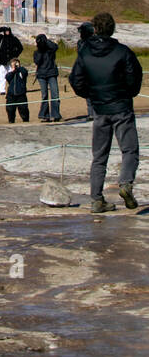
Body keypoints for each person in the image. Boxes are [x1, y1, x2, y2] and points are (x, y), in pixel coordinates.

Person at [69, 12, 142, 212]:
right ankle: (126, 184)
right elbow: (135, 77)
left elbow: (76, 80)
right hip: (121, 108)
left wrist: (91, 96)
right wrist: (128, 94)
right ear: (112, 28)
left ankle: (96, 199)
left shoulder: (84, 53)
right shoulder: (122, 51)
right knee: (130, 150)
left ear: (95, 29)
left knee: (99, 156)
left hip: (100, 109)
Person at [33, 34, 62, 122]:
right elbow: (37, 61)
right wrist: (41, 50)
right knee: (44, 95)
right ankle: (45, 115)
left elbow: (55, 47)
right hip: (41, 75)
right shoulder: (37, 52)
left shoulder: (50, 50)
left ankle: (56, 114)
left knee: (55, 94)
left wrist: (46, 41)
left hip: (51, 73)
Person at [0, 25, 22, 94]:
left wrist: (15, 55)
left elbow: (20, 48)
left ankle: (13, 88)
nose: (7, 32)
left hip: (11, 61)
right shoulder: (0, 38)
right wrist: (2, 28)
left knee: (12, 74)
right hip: (2, 61)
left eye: (8, 30)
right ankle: (2, 90)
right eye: (6, 31)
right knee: (2, 75)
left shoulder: (13, 39)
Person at [77, 22, 95, 119]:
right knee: (88, 94)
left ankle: (95, 112)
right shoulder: (80, 43)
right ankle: (91, 113)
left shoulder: (95, 42)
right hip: (86, 70)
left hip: (94, 70)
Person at [4, 58, 30, 123]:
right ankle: (11, 121)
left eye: (16, 63)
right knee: (10, 109)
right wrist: (13, 70)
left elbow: (25, 73)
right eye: (13, 63)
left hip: (21, 94)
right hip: (11, 94)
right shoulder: (10, 73)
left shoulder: (22, 71)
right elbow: (7, 77)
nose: (14, 65)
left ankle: (25, 120)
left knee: (23, 109)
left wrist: (19, 67)